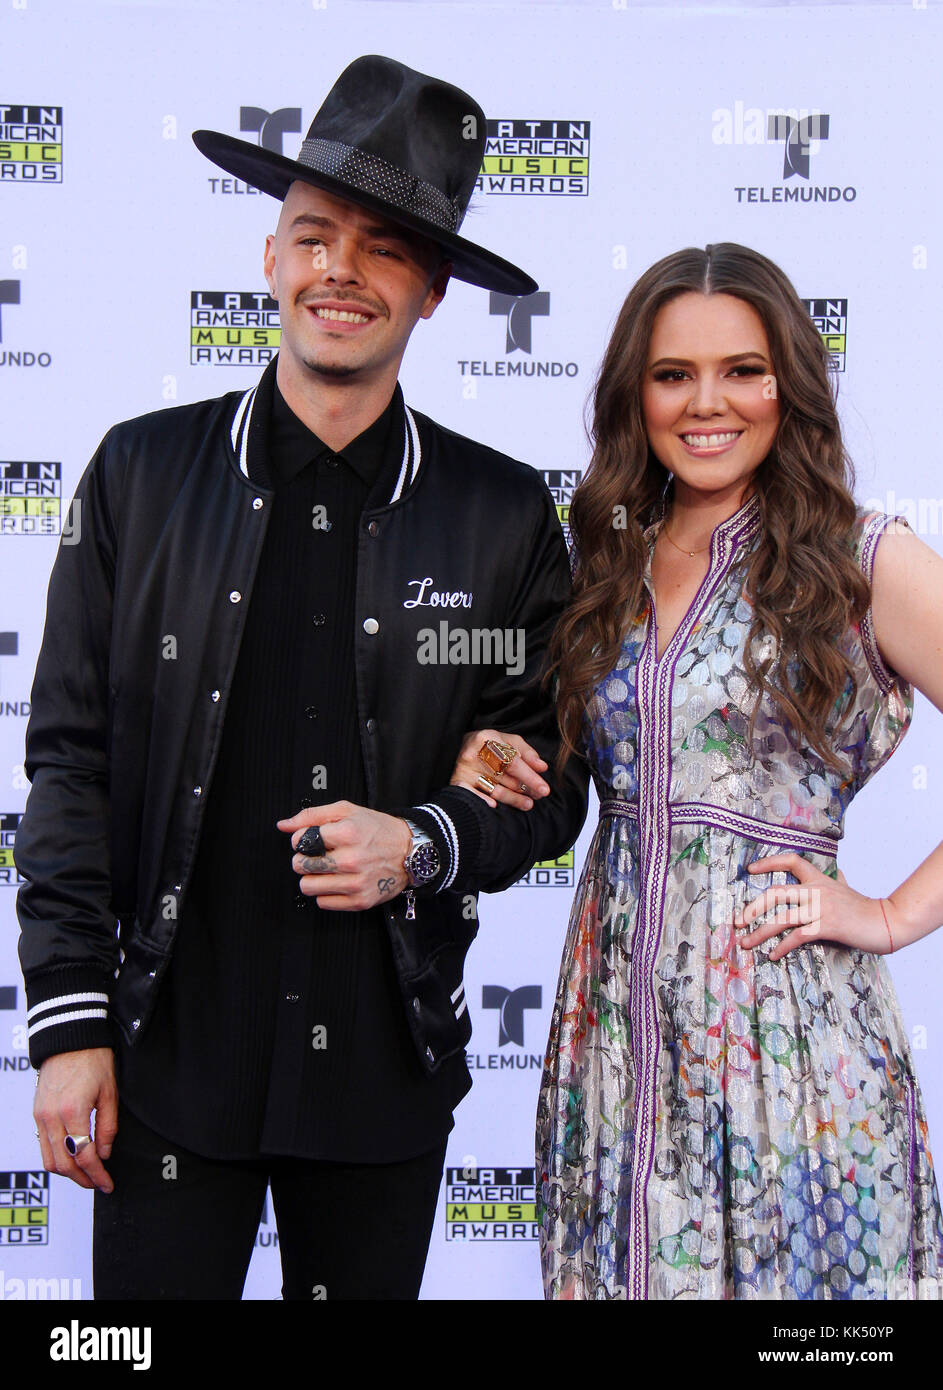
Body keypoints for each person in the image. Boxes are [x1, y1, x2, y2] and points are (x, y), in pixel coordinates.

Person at [14, 55, 587, 1301]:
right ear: (271, 257)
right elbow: (70, 763)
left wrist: (427, 837)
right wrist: (66, 1025)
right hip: (167, 1060)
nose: (341, 269)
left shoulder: (500, 520)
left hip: (382, 1069)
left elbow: (543, 775)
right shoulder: (141, 476)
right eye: (314, 234)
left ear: (433, 292)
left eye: (383, 248)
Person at [449, 242, 943, 1299]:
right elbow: (540, 733)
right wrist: (486, 749)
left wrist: (893, 913)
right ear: (637, 391)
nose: (706, 402)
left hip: (790, 1034)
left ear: (788, 386)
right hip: (614, 1032)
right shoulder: (604, 556)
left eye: (743, 370)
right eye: (673, 373)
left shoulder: (862, 559)